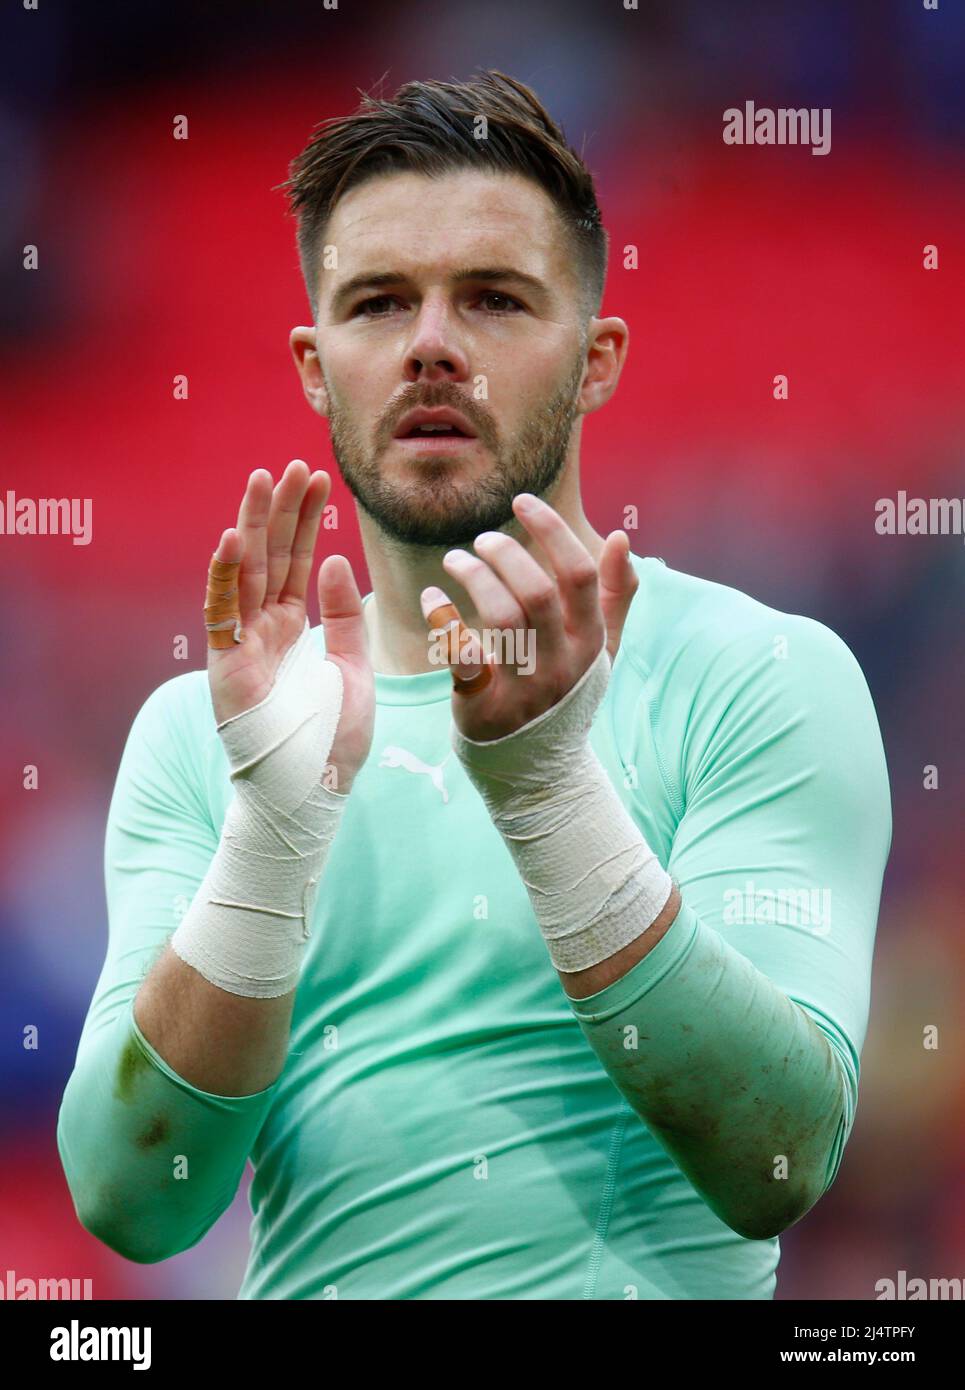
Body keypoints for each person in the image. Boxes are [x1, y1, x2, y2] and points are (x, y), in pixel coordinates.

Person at [57, 69, 891, 1299]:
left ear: (595, 359)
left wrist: (550, 794)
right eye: (378, 302)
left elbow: (777, 1157)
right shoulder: (209, 734)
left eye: (494, 298)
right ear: (314, 366)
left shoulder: (754, 675)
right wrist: (271, 840)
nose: (430, 344)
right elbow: (132, 1203)